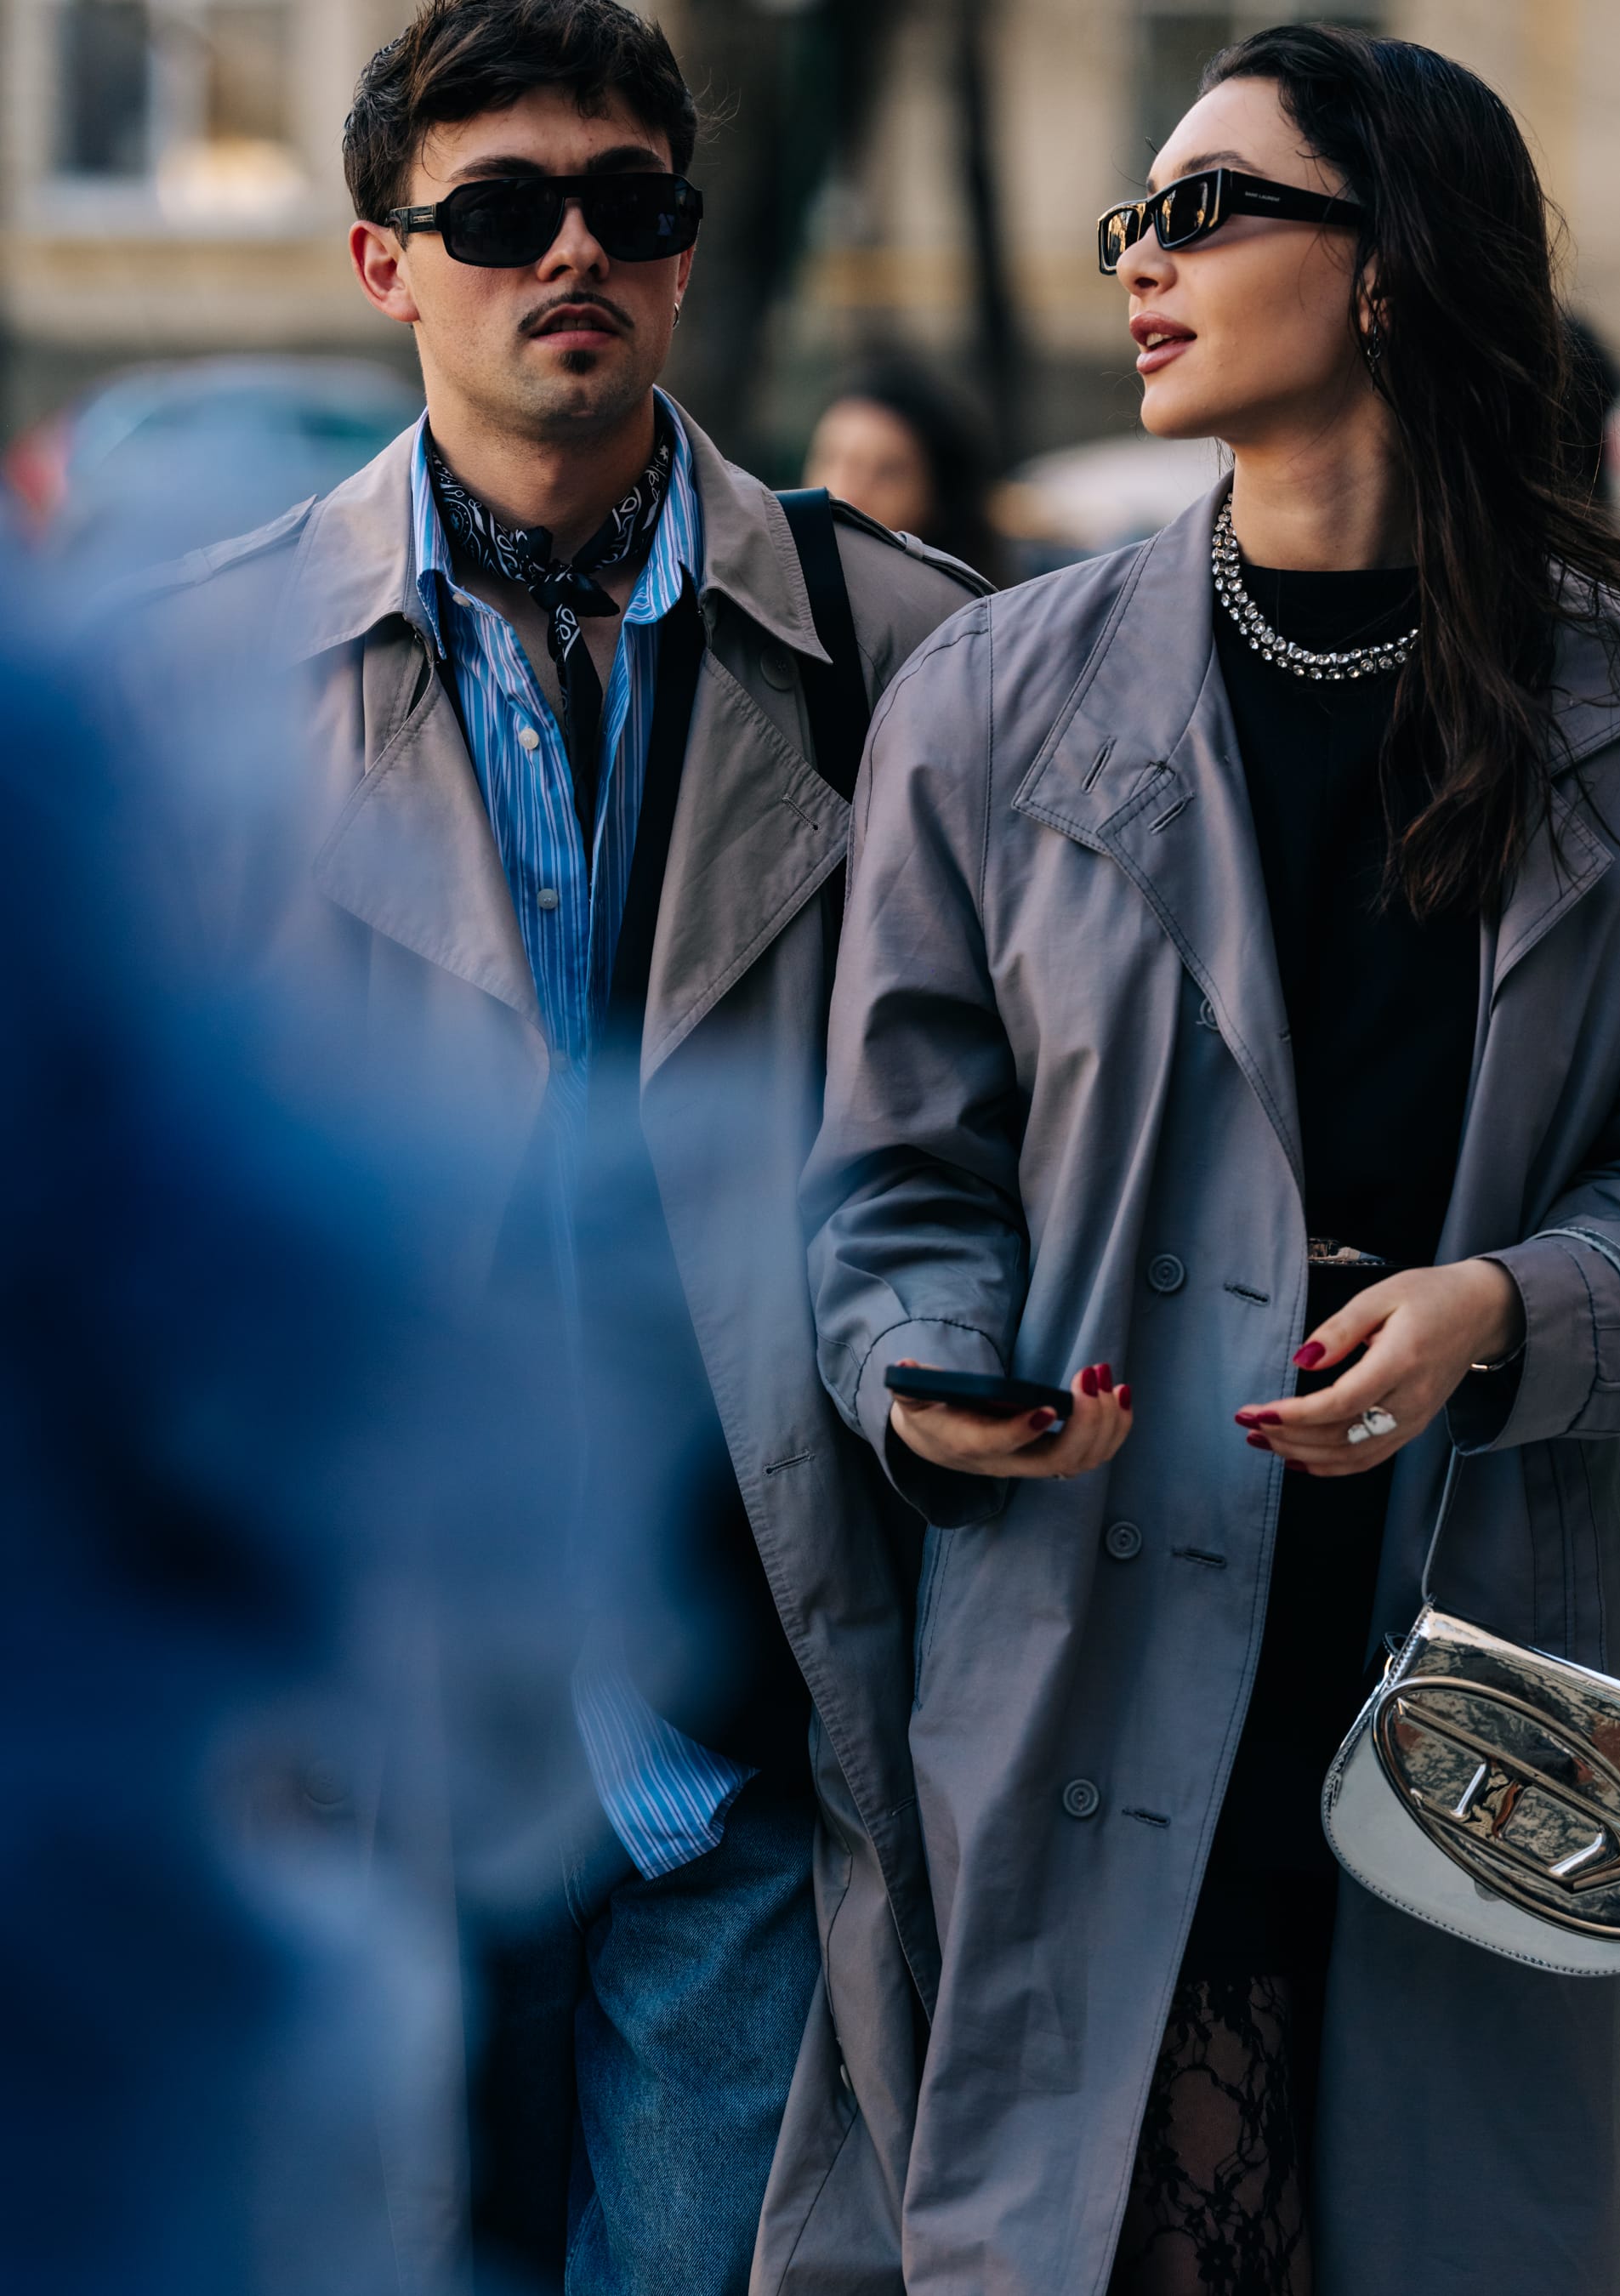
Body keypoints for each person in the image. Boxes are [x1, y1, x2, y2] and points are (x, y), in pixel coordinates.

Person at [796, 25, 1620, 2296]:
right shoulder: (991, 698)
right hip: (1084, 1659)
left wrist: (1506, 1310)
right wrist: (935, 1362)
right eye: (1129, 220)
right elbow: (891, 1177)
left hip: (1468, 1698)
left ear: (1385, 268)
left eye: (1203, 210)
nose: (1138, 264)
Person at [119, 4, 985, 2292]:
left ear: (687, 253)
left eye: (631, 203)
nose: (569, 251)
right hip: (366, 1703)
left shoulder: (915, 660)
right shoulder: (194, 688)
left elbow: (1001, 1129)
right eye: (499, 213)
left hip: (755, 1683)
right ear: (383, 261)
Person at [804, 355, 1009, 584]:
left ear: (938, 499)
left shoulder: (971, 612)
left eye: (887, 472)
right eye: (832, 459)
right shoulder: (773, 591)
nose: (849, 490)